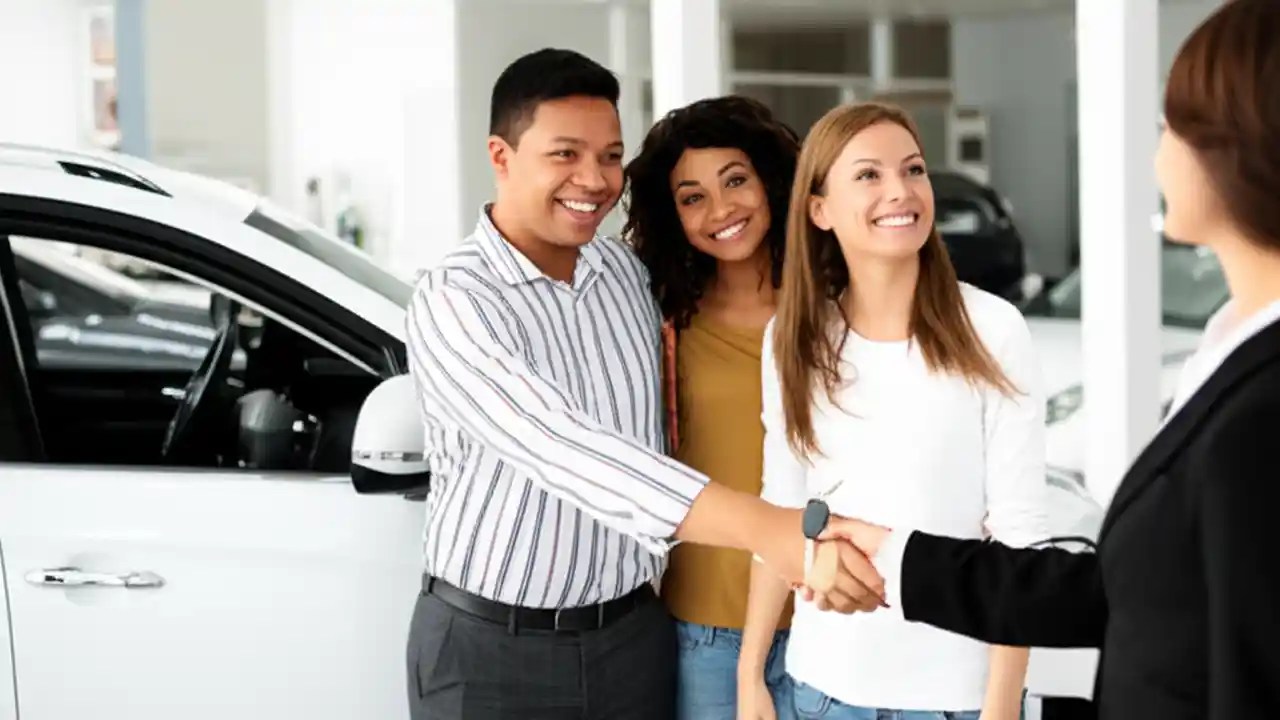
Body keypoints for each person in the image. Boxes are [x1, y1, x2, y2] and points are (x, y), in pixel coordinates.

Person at [805, 2, 1280, 718]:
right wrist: (899, 556)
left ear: (1240, 147)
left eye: (1174, 124)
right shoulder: (1231, 346)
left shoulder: (1265, 409)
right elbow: (1129, 594)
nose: (1157, 150)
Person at [402, 48, 884, 720]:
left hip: (635, 641)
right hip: (494, 650)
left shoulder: (630, 278)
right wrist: (772, 531)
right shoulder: (454, 298)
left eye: (609, 156)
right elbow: (565, 448)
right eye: (565, 154)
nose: (593, 179)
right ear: (502, 156)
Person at [742, 101, 1049, 720]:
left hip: (955, 701)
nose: (900, 191)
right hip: (820, 692)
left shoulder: (993, 329)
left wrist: (1000, 705)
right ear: (819, 209)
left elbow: (1021, 544)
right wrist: (751, 676)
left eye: (913, 169)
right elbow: (781, 510)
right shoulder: (793, 338)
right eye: (869, 175)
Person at [623, 95, 802, 719]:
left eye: (735, 182)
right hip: (709, 628)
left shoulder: (832, 311)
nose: (721, 210)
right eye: (692, 196)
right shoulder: (666, 322)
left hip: (831, 623)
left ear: (770, 183)